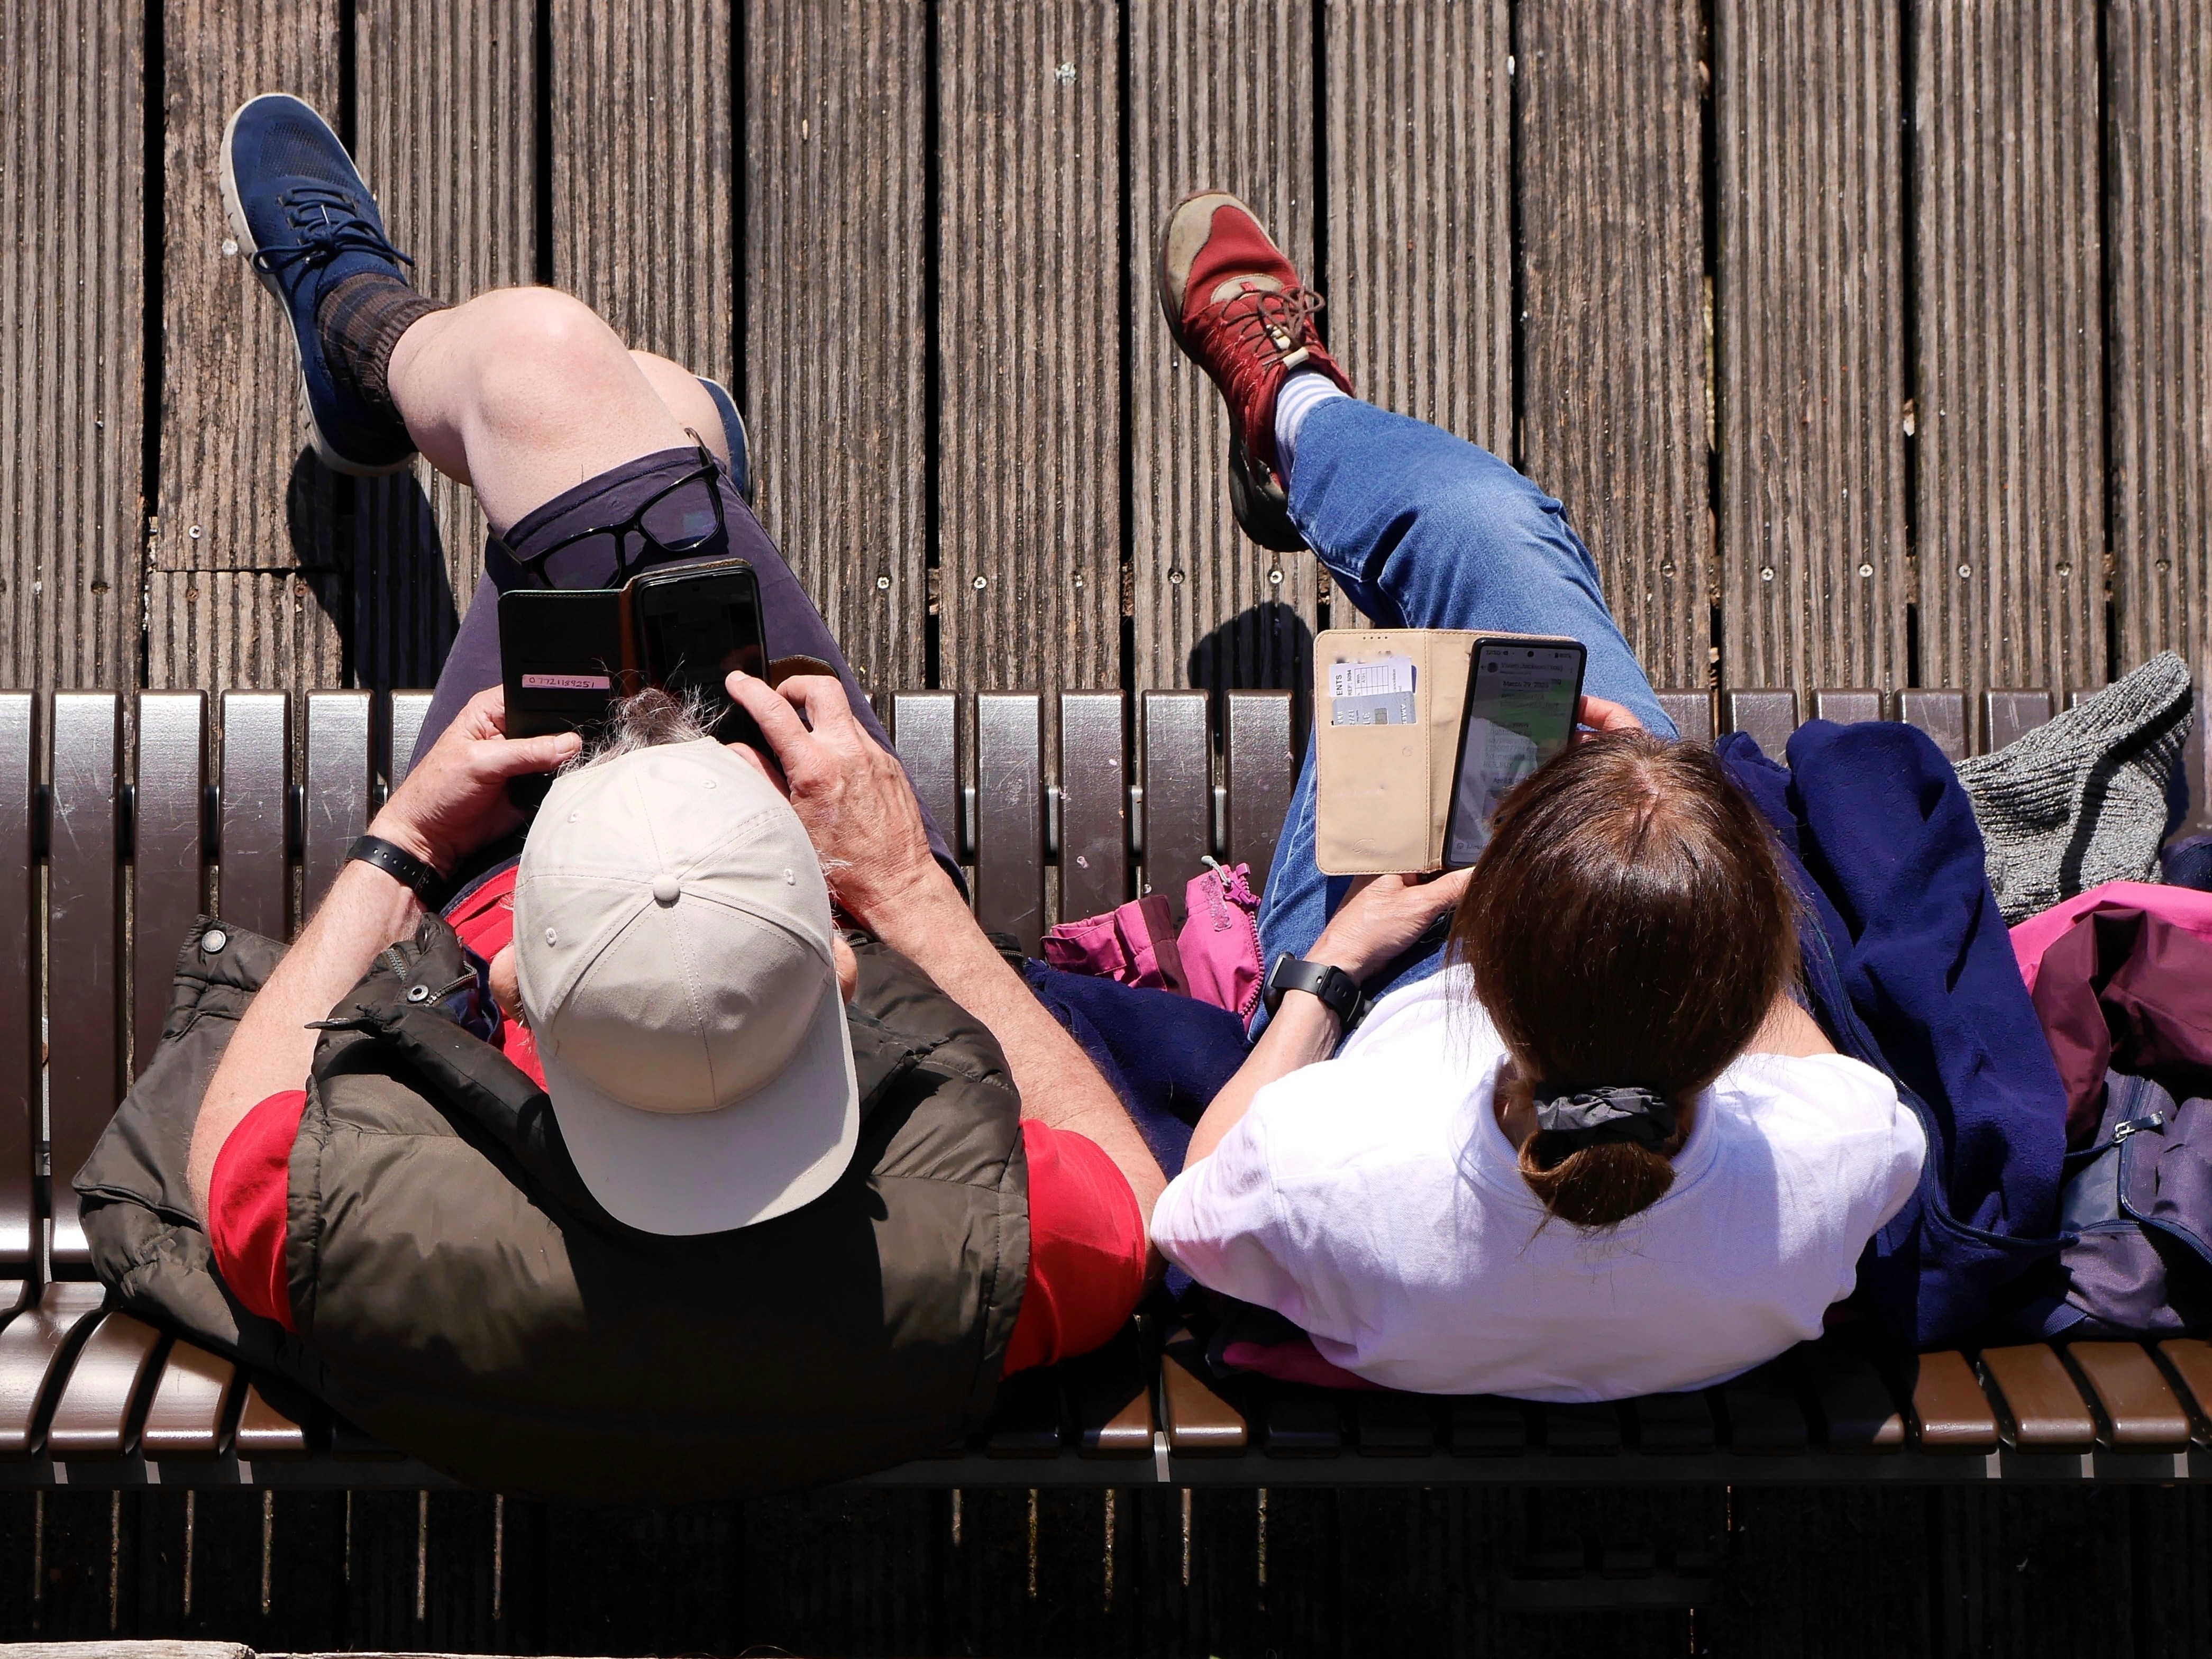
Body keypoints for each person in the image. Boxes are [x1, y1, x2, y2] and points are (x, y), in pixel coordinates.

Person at [77, 94, 1163, 1501]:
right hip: (737, 916)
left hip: (621, 918)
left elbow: (231, 1140)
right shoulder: (982, 1263)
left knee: (564, 377)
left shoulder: (365, 1222)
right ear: (833, 962)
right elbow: (1135, 1205)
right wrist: (900, 884)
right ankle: (611, 443)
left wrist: (411, 836)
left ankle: (393, 345)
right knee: (634, 421)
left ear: (512, 980)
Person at [1144, 193, 1927, 1400]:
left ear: (1484, 971)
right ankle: (1308, 434)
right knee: (1469, 614)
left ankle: (1295, 413)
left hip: (1371, 983)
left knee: (1470, 563)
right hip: (1608, 974)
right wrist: (1676, 878)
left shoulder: (1330, 1167)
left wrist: (1345, 954)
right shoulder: (1841, 1154)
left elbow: (1199, 1188)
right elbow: (1802, 1066)